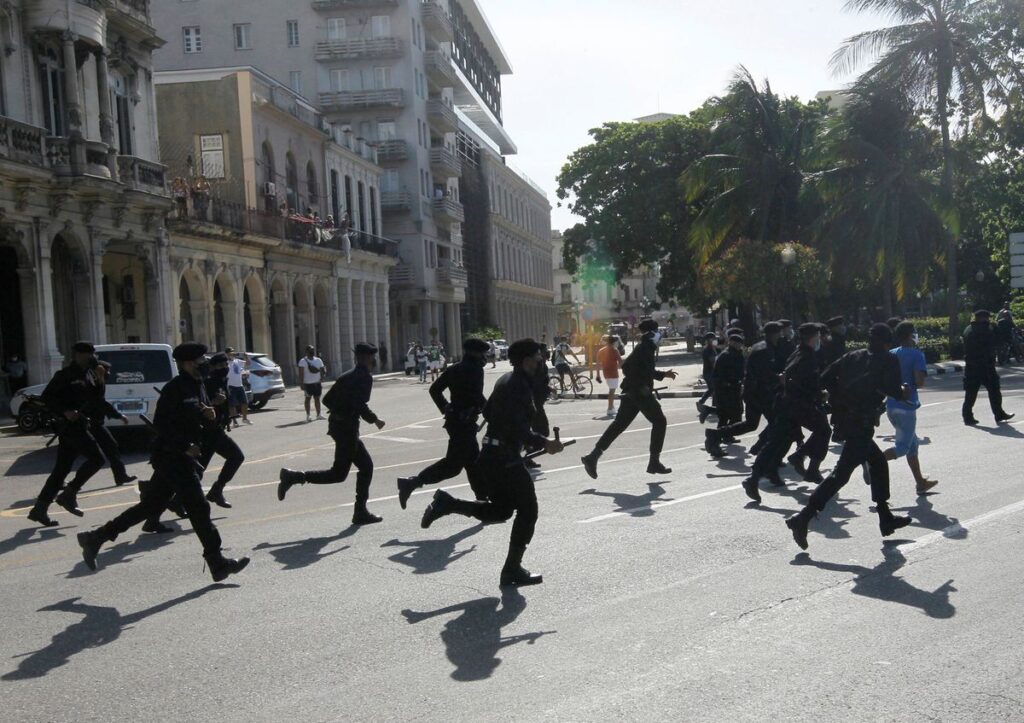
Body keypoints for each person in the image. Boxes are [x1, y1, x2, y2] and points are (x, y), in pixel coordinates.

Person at [76, 343, 250, 582]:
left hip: (183, 458)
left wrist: (208, 415)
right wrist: (184, 446)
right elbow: (162, 428)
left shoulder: (197, 385)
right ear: (188, 363)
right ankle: (217, 562)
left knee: (149, 507)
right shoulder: (174, 389)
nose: (205, 364)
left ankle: (96, 537)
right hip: (171, 457)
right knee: (199, 507)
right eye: (200, 360)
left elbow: (197, 420)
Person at [418, 339, 565, 587]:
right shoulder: (517, 385)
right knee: (528, 510)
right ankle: (512, 570)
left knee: (501, 510)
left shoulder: (506, 380)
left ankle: (449, 504)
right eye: (538, 358)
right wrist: (544, 443)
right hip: (503, 457)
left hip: (492, 454)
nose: (542, 361)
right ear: (528, 360)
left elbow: (489, 414)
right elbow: (517, 428)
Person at [784, 324, 914, 549]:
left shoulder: (853, 356)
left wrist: (840, 397)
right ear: (887, 343)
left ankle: (885, 517)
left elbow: (824, 378)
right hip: (861, 424)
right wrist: (904, 391)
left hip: (845, 420)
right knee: (840, 475)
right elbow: (892, 390)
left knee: (878, 462)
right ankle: (803, 517)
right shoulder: (887, 360)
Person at [278, 343, 386, 525]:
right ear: (367, 358)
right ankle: (295, 477)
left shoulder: (346, 376)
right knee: (338, 474)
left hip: (338, 425)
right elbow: (360, 403)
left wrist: (342, 409)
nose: (373, 361)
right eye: (372, 357)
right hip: (347, 429)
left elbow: (328, 400)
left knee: (366, 466)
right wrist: (375, 420)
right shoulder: (364, 377)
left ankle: (360, 512)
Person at [741, 323, 830, 500]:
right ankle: (804, 461)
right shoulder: (808, 357)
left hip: (785, 403)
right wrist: (821, 395)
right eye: (818, 337)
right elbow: (805, 384)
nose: (819, 341)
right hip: (798, 404)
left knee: (777, 441)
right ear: (813, 338)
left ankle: (754, 479)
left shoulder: (797, 352)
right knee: (824, 430)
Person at [397, 338, 489, 508]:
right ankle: (412, 483)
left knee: (473, 463)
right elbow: (476, 396)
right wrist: (489, 410)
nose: (485, 357)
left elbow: (435, 389)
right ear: (475, 353)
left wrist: (446, 407)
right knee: (453, 466)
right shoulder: (475, 370)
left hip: (456, 422)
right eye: (483, 353)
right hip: (464, 424)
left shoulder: (454, 369)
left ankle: (482, 499)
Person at [581, 319, 679, 478]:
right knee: (660, 421)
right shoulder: (645, 348)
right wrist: (640, 386)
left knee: (619, 425)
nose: (660, 335)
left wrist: (662, 375)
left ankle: (593, 457)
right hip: (638, 393)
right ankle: (654, 461)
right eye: (657, 332)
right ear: (652, 334)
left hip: (631, 392)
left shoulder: (645, 348)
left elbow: (638, 369)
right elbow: (629, 369)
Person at [26, 342, 111, 526]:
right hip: (69, 426)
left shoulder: (90, 374)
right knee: (97, 459)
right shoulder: (64, 375)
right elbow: (47, 397)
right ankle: (69, 494)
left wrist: (101, 379)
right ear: (77, 355)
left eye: (92, 353)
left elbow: (97, 399)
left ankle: (39, 509)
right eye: (87, 354)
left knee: (62, 469)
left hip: (81, 424)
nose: (91, 357)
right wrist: (64, 411)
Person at [706, 324, 784, 458]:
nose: (781, 335)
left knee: (753, 424)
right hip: (757, 393)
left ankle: (715, 435)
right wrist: (779, 378)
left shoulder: (764, 347)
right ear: (774, 333)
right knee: (776, 422)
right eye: (780, 332)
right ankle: (764, 452)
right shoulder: (763, 349)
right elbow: (762, 373)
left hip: (757, 392)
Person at [883, 322, 938, 494]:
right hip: (906, 407)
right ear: (909, 335)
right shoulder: (916, 355)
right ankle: (872, 461)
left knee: (912, 445)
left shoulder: (891, 353)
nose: (916, 335)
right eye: (914, 332)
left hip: (891, 405)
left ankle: (920, 482)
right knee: (903, 447)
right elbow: (920, 382)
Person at [962, 309, 1015, 425]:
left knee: (971, 393)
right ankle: (999, 414)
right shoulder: (984, 330)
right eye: (987, 318)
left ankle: (967, 417)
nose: (988, 320)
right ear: (982, 318)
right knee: (994, 390)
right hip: (985, 366)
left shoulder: (968, 329)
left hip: (971, 366)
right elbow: (995, 341)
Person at [712, 332, 746, 432]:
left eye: (740, 343)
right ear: (731, 343)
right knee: (725, 415)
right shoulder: (725, 355)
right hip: (725, 389)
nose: (739, 345)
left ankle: (727, 434)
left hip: (734, 388)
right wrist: (726, 383)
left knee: (736, 413)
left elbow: (740, 371)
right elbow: (720, 374)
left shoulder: (738, 354)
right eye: (737, 343)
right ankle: (717, 436)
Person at [297, 345, 327, 422]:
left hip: (317, 383)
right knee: (308, 399)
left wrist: (323, 377)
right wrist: (301, 384)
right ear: (306, 351)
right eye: (310, 350)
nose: (312, 352)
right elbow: (301, 374)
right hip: (307, 384)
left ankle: (318, 414)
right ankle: (308, 415)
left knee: (317, 398)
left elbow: (322, 369)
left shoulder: (318, 360)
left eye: (313, 350)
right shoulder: (302, 361)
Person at [596, 335, 623, 417]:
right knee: (612, 391)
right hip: (613, 373)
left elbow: (597, 364)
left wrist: (598, 375)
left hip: (606, 373)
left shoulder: (601, 350)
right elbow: (620, 362)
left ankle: (612, 407)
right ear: (613, 342)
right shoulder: (615, 350)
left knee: (611, 390)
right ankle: (610, 408)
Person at [696, 332, 718, 424]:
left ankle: (709, 405)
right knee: (713, 389)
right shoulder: (708, 349)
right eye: (713, 339)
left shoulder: (711, 348)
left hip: (709, 372)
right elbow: (712, 361)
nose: (715, 340)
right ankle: (707, 405)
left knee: (712, 389)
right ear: (709, 340)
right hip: (709, 372)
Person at [226, 349, 251, 426]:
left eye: (233, 353)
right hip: (230, 385)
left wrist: (246, 357)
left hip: (239, 385)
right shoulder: (225, 362)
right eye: (230, 353)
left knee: (245, 402)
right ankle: (234, 421)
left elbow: (248, 364)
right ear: (226, 354)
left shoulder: (237, 361)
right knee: (232, 404)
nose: (232, 354)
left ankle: (245, 418)